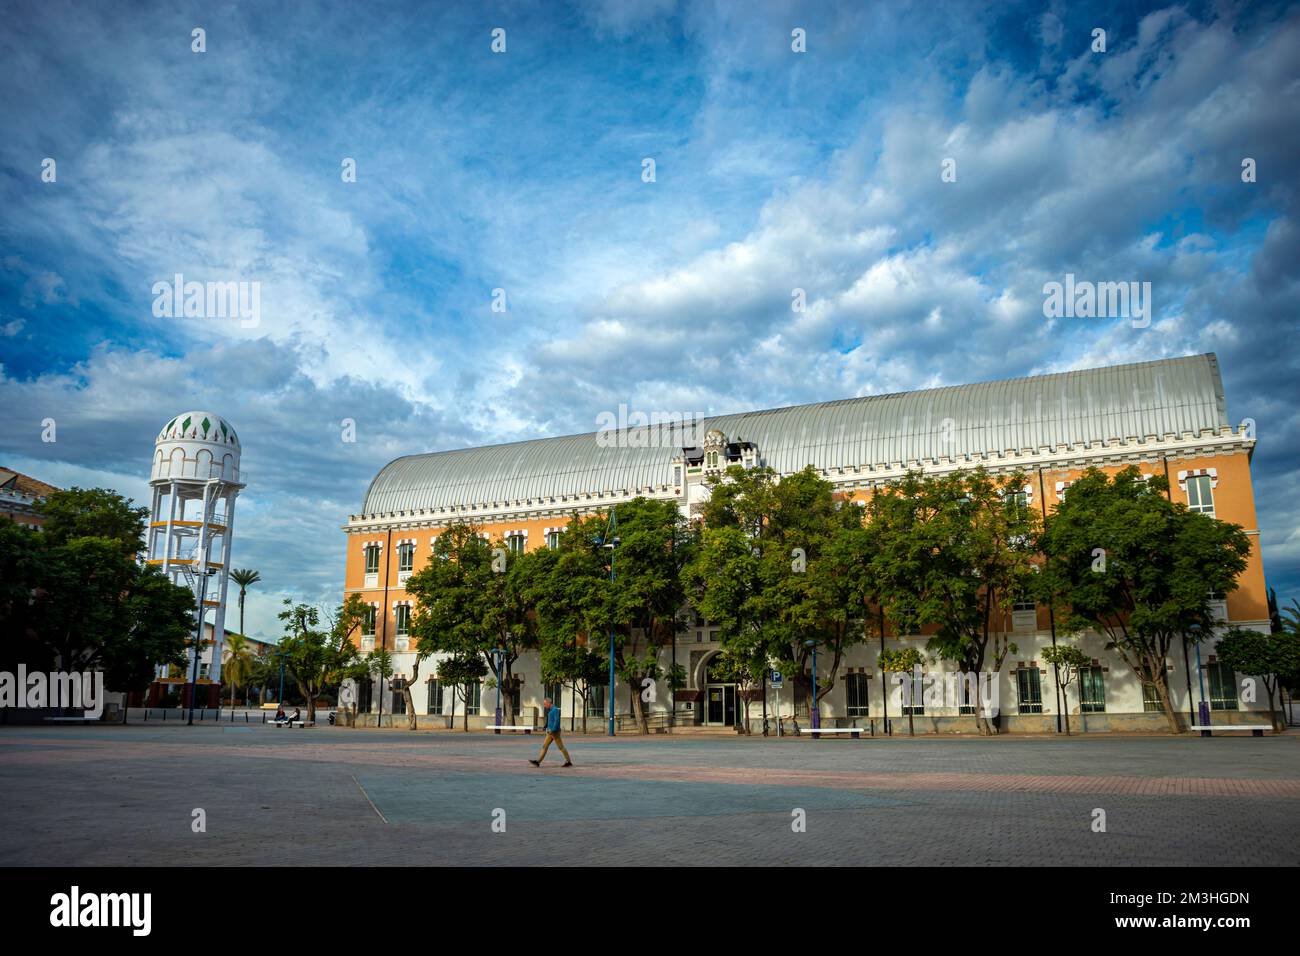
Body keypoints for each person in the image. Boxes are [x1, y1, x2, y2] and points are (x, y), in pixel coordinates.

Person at [528, 697, 572, 767]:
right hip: (550, 732)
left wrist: (553, 730)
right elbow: (549, 720)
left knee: (561, 747)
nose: (544, 706)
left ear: (549, 703)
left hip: (554, 732)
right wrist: (545, 726)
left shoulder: (555, 710)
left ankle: (569, 761)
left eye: (545, 704)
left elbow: (557, 721)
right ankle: (538, 762)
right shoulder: (551, 710)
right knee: (544, 746)